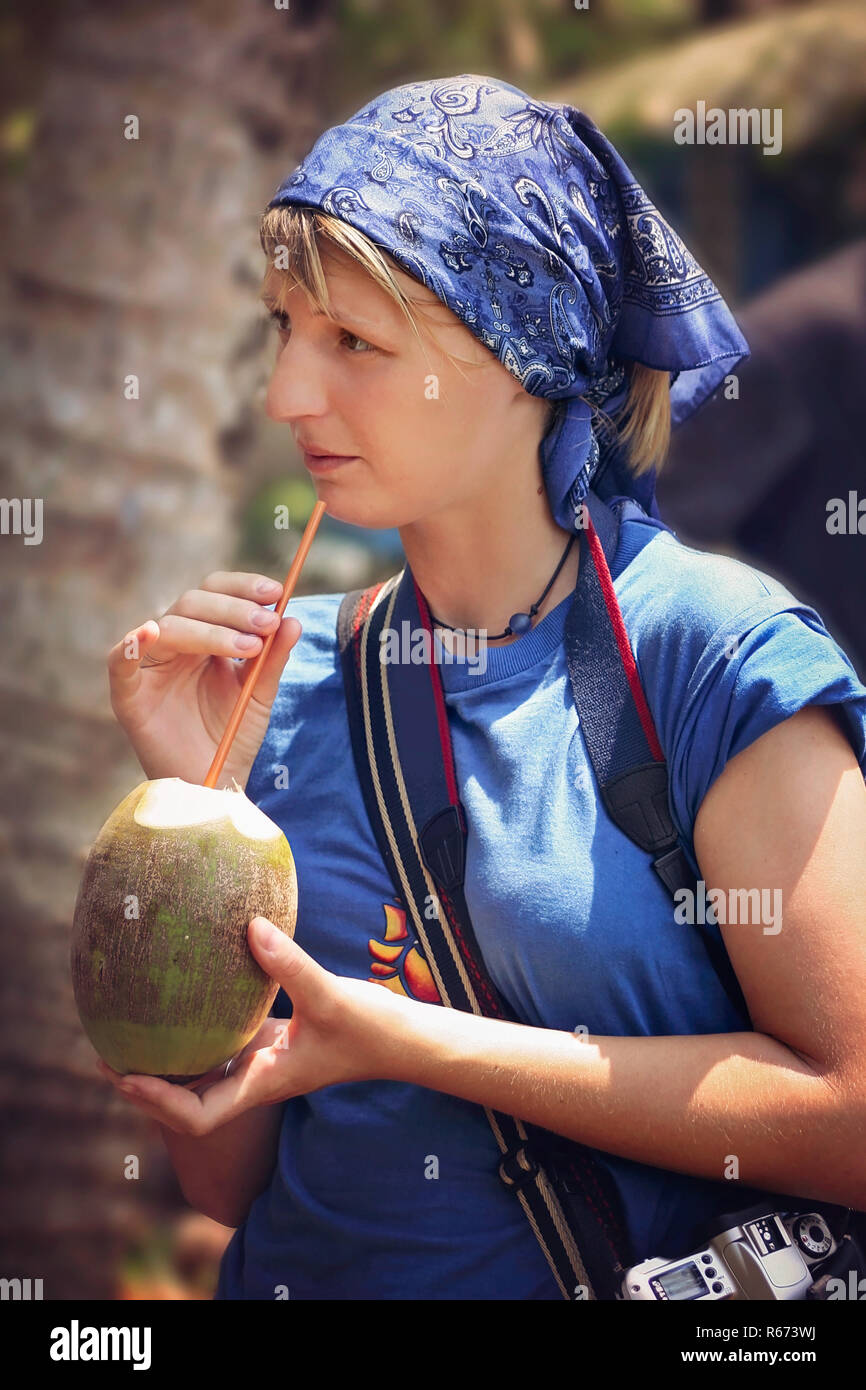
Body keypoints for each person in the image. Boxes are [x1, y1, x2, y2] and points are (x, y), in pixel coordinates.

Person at [102, 75, 866, 1301]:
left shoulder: (706, 654)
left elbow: (850, 1116)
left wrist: (413, 1041)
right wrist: (203, 808)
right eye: (281, 329)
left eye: (352, 341)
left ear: (521, 356)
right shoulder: (277, 676)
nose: (285, 396)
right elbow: (234, 1188)